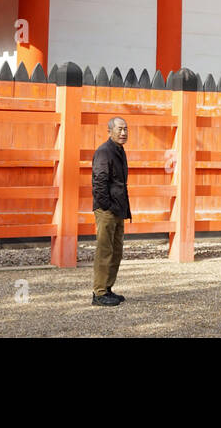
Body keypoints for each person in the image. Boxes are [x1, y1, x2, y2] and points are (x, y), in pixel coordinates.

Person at [91, 116, 130, 306]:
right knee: (105, 250)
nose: (123, 133)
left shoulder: (120, 151)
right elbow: (99, 182)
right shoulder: (104, 152)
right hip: (107, 209)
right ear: (110, 131)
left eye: (125, 130)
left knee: (116, 251)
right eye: (120, 129)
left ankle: (107, 288)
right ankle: (98, 293)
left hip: (118, 209)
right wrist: (107, 206)